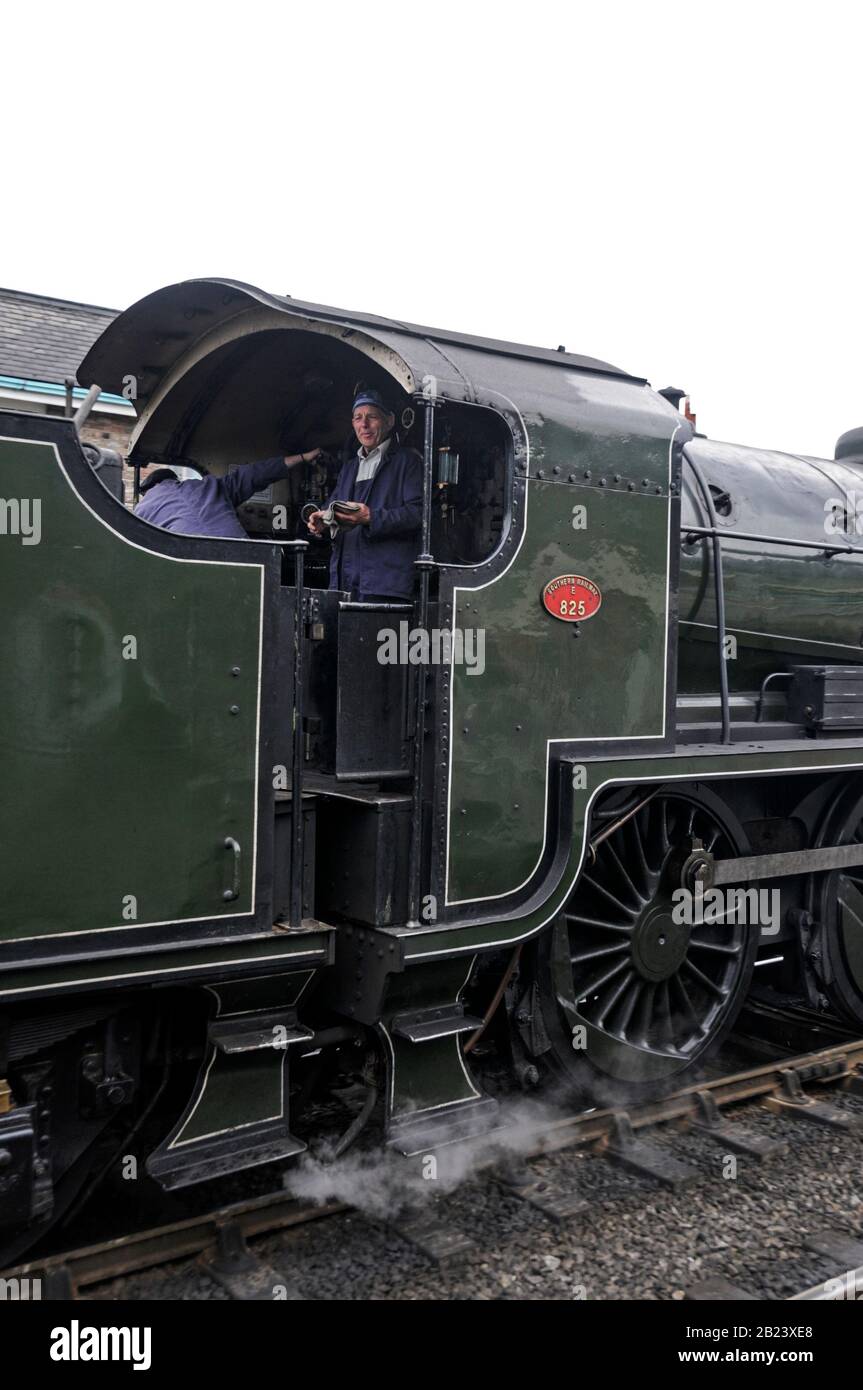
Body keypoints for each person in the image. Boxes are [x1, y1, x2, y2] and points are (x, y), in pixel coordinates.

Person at [305, 389, 421, 602]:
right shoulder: (349, 468)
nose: (364, 425)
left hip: (384, 583)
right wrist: (320, 522)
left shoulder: (407, 462)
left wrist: (371, 517)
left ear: (390, 421)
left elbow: (418, 515)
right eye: (358, 418)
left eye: (372, 417)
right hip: (343, 580)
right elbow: (331, 508)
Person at [135, 450, 321, 539]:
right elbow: (255, 474)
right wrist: (303, 457)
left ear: (153, 486)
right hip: (246, 564)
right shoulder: (208, 486)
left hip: (190, 574)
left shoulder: (143, 509)